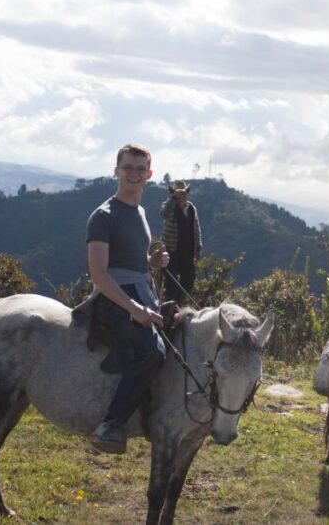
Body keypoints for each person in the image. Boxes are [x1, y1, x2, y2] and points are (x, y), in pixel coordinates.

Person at [85, 144, 169, 453]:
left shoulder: (140, 212)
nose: (133, 174)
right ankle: (112, 423)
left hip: (141, 290)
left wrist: (152, 263)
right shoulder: (103, 216)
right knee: (152, 352)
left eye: (139, 169)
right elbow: (99, 274)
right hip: (112, 297)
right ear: (116, 171)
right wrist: (134, 309)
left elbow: (131, 259)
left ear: (148, 175)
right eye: (127, 168)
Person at [160, 180, 202, 304]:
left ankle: (178, 304)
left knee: (189, 279)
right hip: (171, 250)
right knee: (171, 282)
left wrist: (198, 248)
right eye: (178, 194)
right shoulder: (169, 206)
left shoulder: (191, 208)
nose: (181, 197)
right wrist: (173, 198)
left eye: (183, 194)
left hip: (187, 251)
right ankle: (169, 307)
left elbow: (196, 228)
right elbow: (163, 214)